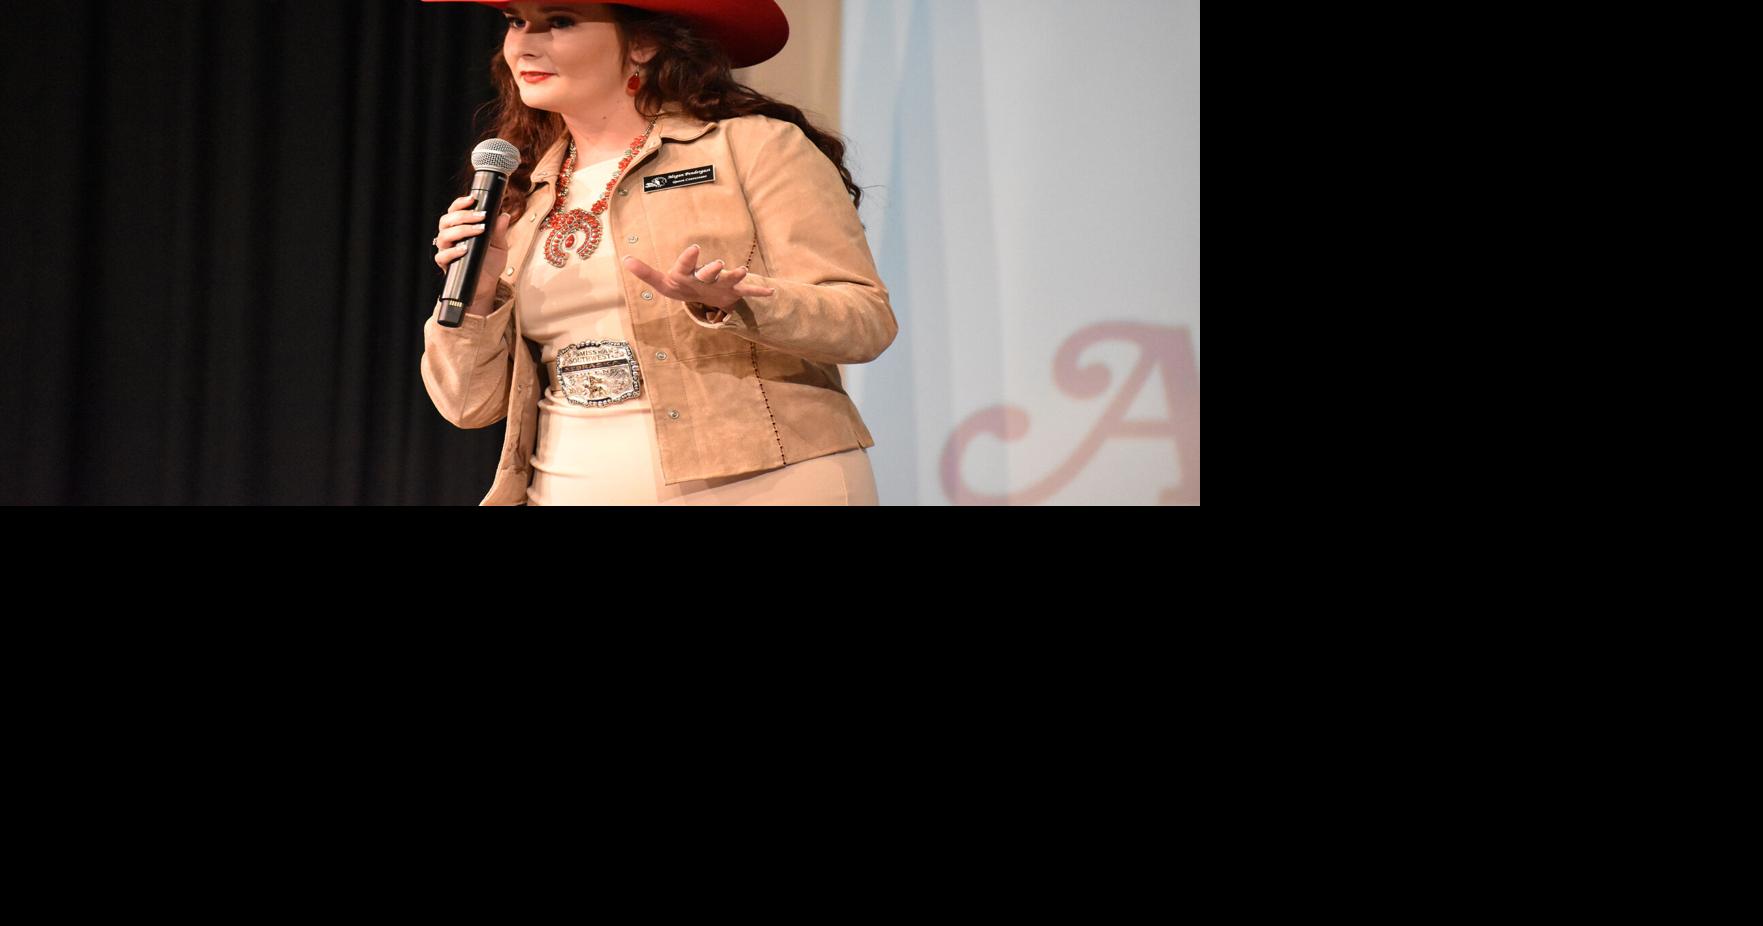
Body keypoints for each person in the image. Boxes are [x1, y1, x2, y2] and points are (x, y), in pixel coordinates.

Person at [419, 0, 898, 505]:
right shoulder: (521, 192)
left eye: (559, 21)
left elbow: (865, 320)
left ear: (644, 44)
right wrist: (479, 294)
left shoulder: (753, 147)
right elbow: (468, 405)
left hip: (767, 484)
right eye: (516, 22)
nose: (525, 44)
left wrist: (740, 301)